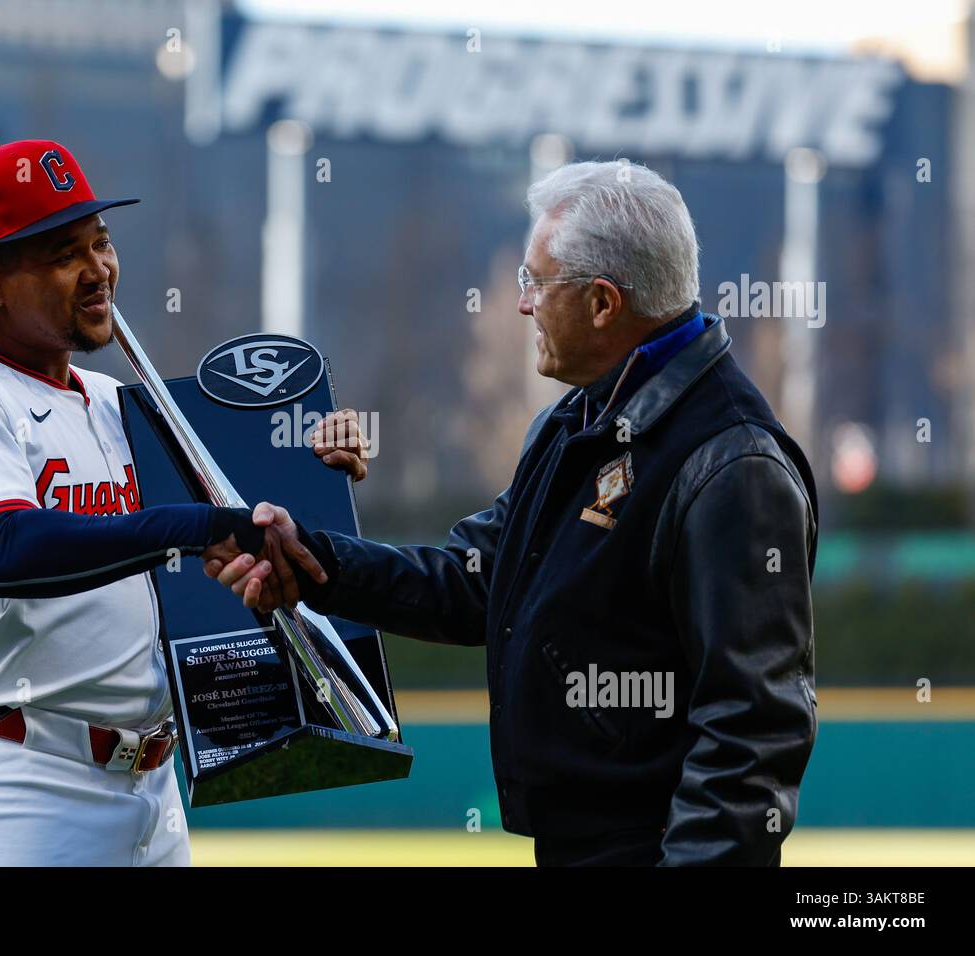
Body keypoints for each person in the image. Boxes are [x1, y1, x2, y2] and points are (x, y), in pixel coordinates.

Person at [207, 161, 820, 866]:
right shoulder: (577, 422)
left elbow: (755, 729)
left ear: (601, 303)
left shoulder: (733, 464)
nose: (523, 304)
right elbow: (473, 582)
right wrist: (312, 561)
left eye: (535, 282)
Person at [0, 139, 365, 866]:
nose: (97, 268)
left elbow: (249, 518)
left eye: (100, 242)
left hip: (153, 787)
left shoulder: (121, 406)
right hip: (17, 780)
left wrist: (317, 462)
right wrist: (193, 526)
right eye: (61, 252)